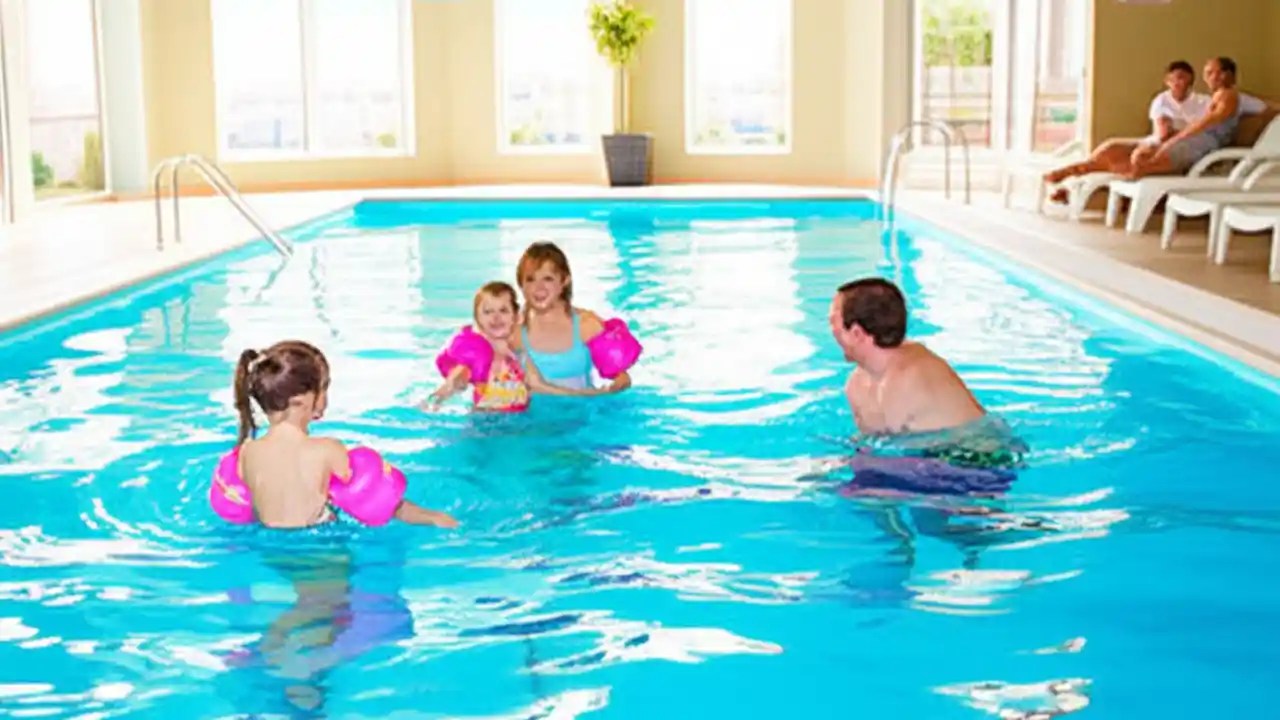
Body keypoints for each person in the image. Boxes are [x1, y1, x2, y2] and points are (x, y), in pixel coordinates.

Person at [234, 340, 457, 529]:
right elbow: (376, 498)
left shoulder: (246, 452)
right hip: (319, 549)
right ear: (301, 400)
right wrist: (433, 517)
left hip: (271, 552)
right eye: (324, 388)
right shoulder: (327, 450)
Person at [829, 278, 985, 435]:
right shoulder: (857, 384)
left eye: (834, 323)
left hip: (974, 456)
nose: (832, 331)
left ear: (857, 333)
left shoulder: (910, 376)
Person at [1042, 60, 1202, 196]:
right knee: (1110, 149)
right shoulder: (1162, 100)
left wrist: (1182, 132)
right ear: (1167, 80)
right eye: (1175, 79)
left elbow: (1174, 133)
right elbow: (1163, 133)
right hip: (1155, 142)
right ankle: (1070, 183)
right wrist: (1189, 129)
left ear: (1191, 80)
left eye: (1184, 78)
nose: (1179, 83)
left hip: (1178, 149)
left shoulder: (1203, 102)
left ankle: (1070, 185)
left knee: (1131, 163)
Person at [511, 241, 632, 394]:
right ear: (521, 284)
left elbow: (622, 379)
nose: (538, 287)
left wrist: (614, 386)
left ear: (564, 281)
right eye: (530, 279)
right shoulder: (512, 332)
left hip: (583, 414)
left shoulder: (586, 325)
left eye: (547, 279)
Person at [1127, 56, 1246, 179]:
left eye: (1209, 73)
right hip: (1200, 140)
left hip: (1207, 144)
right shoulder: (1219, 96)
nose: (1206, 78)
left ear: (1224, 75)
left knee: (1144, 164)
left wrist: (1175, 140)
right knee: (1141, 158)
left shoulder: (1227, 96)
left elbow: (1205, 123)